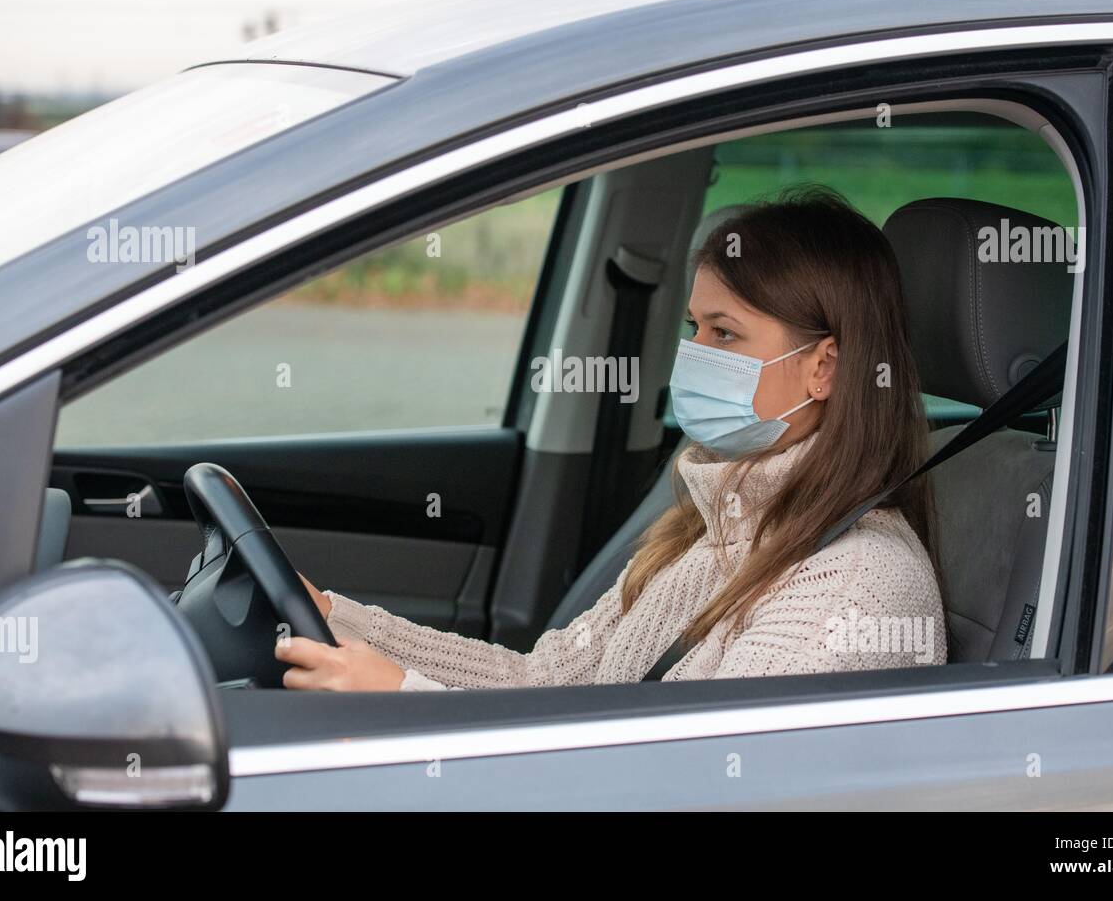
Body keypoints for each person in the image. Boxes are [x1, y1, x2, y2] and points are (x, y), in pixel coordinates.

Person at [277, 185, 946, 691]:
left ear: (822, 367)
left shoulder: (855, 587)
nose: (694, 354)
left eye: (725, 333)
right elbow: (545, 685)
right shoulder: (711, 530)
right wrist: (338, 617)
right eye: (694, 330)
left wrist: (402, 696)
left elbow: (696, 786)